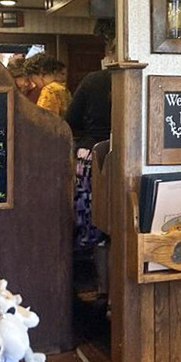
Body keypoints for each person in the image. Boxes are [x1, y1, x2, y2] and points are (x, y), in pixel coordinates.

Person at [64, 19, 114, 299]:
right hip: (127, 156)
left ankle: (100, 289)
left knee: (95, 225)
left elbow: (69, 120)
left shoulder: (93, 80)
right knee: (117, 227)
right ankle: (111, 295)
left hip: (91, 154)